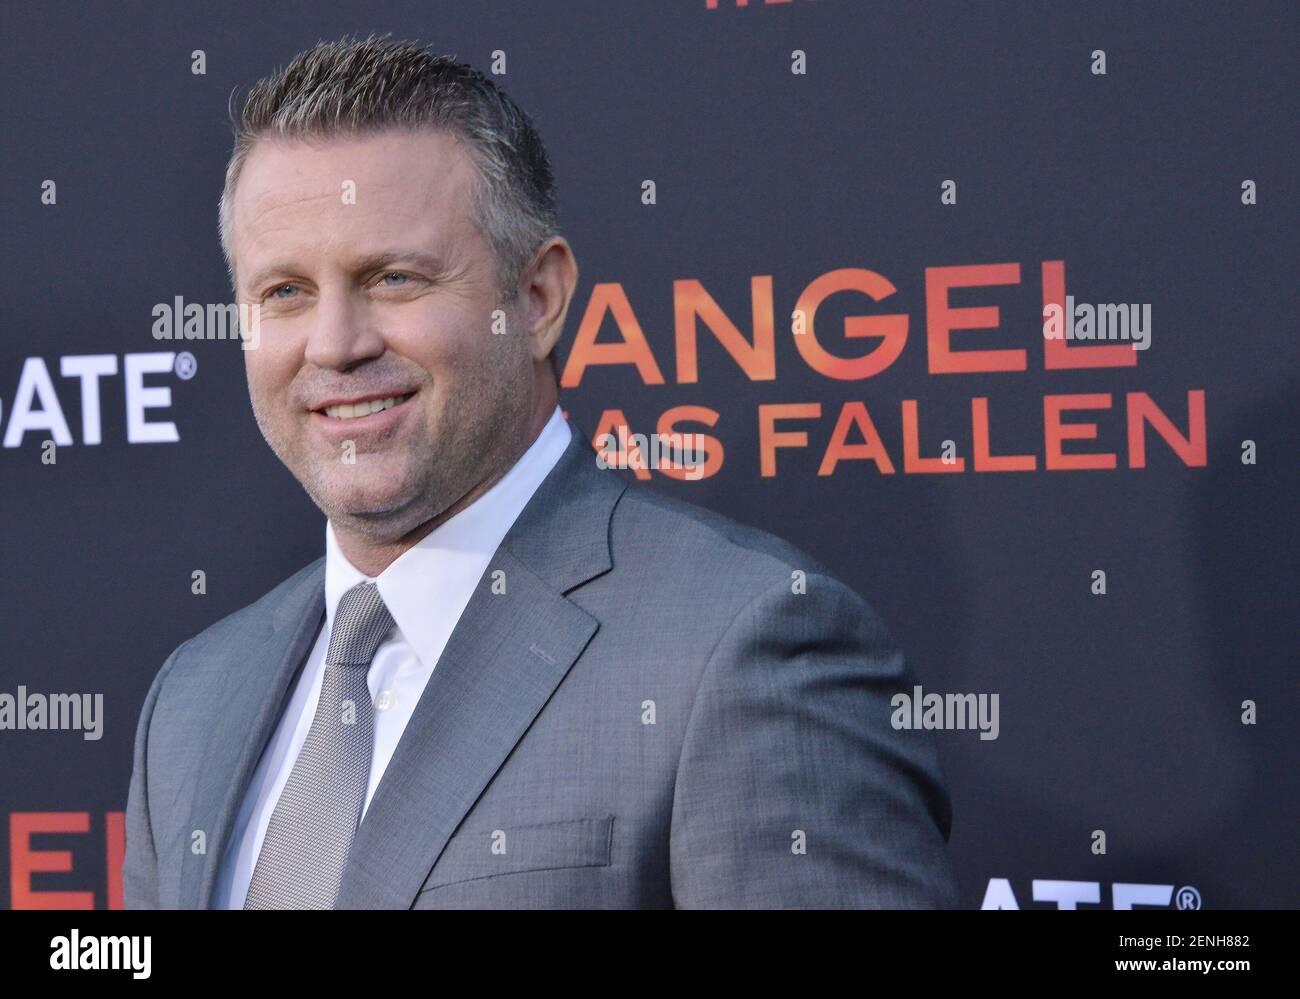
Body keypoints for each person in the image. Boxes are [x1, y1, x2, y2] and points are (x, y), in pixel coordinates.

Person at [122, 35, 958, 909]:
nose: (335, 343)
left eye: (394, 277)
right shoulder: (191, 700)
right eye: (285, 292)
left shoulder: (742, 652)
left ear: (538, 299)